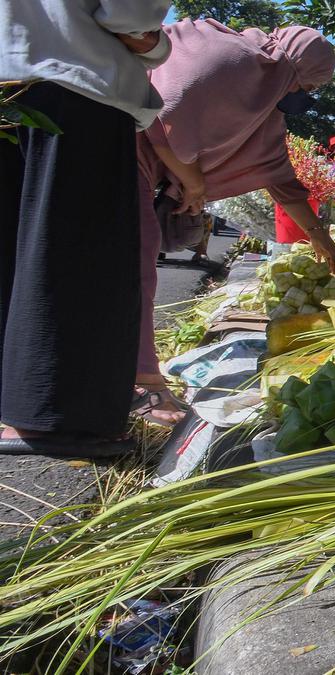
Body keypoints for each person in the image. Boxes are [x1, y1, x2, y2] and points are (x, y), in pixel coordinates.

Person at [134, 18, 335, 425]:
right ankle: (144, 385)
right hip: (116, 150)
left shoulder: (262, 109)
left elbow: (281, 178)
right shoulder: (236, 59)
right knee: (134, 274)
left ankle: (117, 376)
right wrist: (192, 181)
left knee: (127, 273)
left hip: (141, 172)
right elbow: (161, 113)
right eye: (308, 85)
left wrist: (320, 237)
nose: (302, 95)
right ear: (296, 65)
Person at [0, 0, 172, 456]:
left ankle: (18, 404)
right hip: (72, 82)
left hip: (9, 77)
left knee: (17, 249)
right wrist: (154, 44)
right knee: (76, 252)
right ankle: (55, 419)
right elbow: (128, 14)